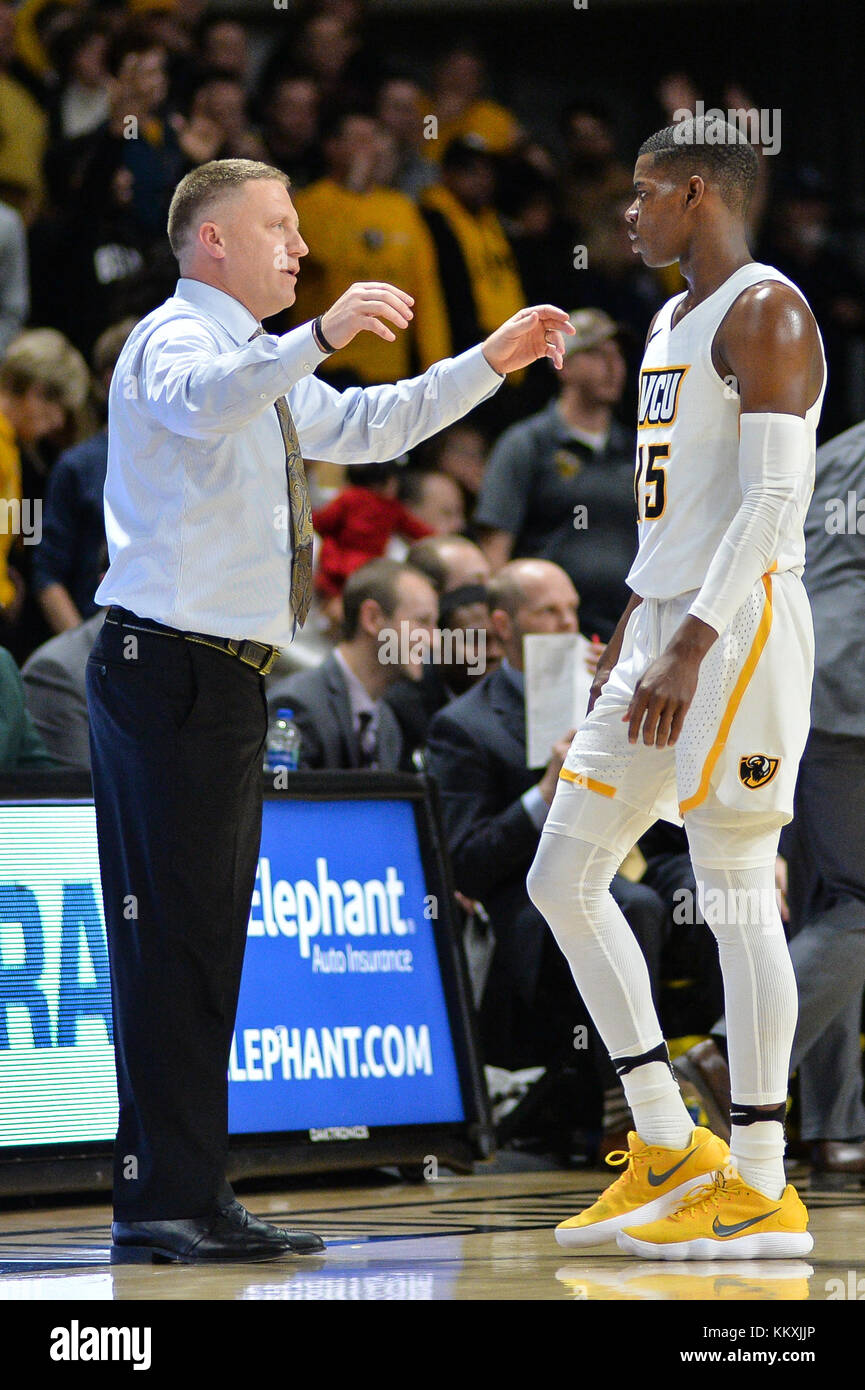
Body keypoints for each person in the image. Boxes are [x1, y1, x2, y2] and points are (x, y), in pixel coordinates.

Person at [85, 154, 574, 1264]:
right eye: (281, 228)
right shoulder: (179, 342)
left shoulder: (257, 359)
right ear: (214, 242)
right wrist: (318, 335)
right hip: (168, 668)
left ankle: (188, 1195)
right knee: (174, 945)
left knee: (202, 947)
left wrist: (487, 363)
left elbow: (373, 424)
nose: (302, 250)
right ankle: (164, 1201)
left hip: (212, 677)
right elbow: (209, 408)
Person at [527, 113, 826, 1259]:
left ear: (697, 190)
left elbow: (768, 506)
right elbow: (682, 505)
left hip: (736, 625)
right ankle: (666, 1138)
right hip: (664, 620)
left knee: (737, 884)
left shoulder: (767, 307)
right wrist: (636, 624)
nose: (629, 212)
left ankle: (759, 1175)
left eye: (644, 194)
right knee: (564, 870)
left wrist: (691, 639)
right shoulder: (664, 315)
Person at [475, 309, 636, 641]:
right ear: (562, 364)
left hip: (629, 630)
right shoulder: (526, 444)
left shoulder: (637, 448)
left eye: (617, 355)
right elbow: (495, 547)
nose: (613, 366)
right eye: (597, 353)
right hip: (550, 634)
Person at [266, 558, 437, 771]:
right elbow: (285, 801)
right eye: (422, 621)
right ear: (372, 618)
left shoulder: (388, 722)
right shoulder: (297, 705)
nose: (433, 640)